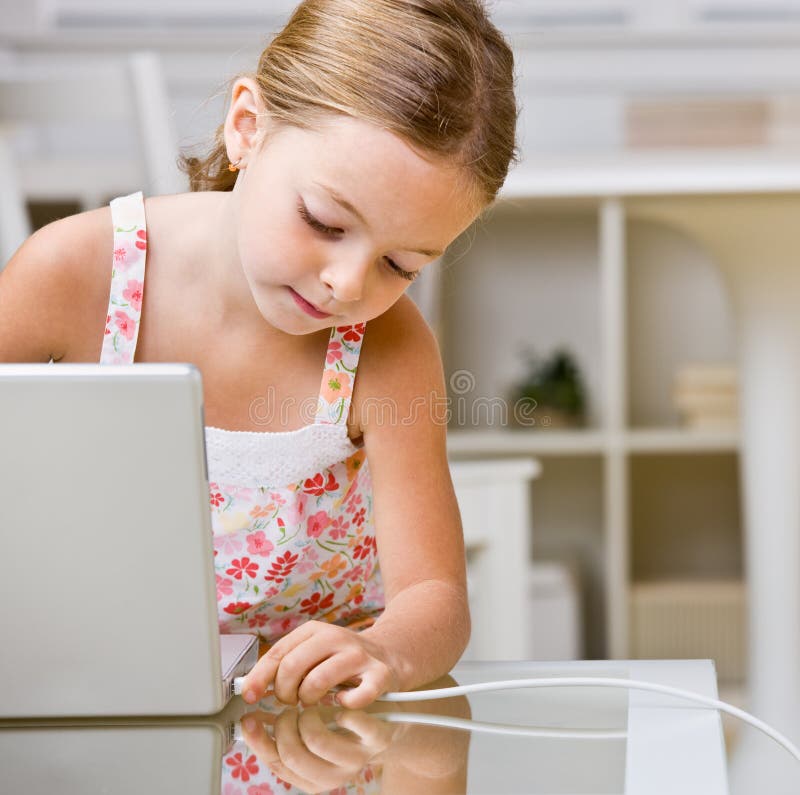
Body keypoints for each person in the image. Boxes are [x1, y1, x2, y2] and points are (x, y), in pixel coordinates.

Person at [0, 0, 518, 712]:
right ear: (247, 128)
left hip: (308, 732)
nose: (348, 283)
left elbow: (435, 597)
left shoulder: (387, 349)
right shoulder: (72, 274)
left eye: (400, 265)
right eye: (325, 222)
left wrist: (385, 650)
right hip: (89, 705)